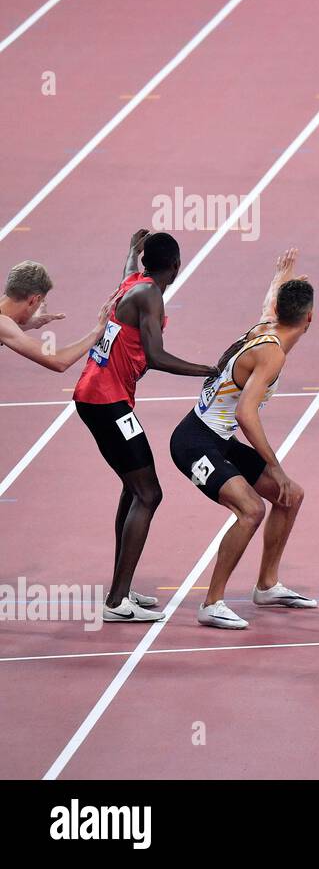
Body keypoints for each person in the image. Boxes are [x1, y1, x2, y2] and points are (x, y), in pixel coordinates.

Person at [72, 230, 217, 622]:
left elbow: (126, 272)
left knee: (134, 487)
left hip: (100, 396)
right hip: (107, 401)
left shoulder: (135, 283)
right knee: (149, 494)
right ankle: (118, 601)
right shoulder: (150, 294)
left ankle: (122, 586)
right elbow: (153, 355)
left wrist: (129, 252)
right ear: (176, 265)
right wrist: (206, 370)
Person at [168, 250, 315, 629]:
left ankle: (266, 585)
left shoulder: (266, 327)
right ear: (309, 320)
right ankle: (211, 603)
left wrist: (282, 275)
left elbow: (270, 301)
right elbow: (245, 414)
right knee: (252, 510)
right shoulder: (272, 354)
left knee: (291, 497)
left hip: (217, 440)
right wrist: (276, 468)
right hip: (194, 442)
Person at [0, 260, 107, 370]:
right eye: (40, 302)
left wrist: (31, 323)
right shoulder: (3, 324)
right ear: (34, 300)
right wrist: (98, 330)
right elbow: (59, 361)